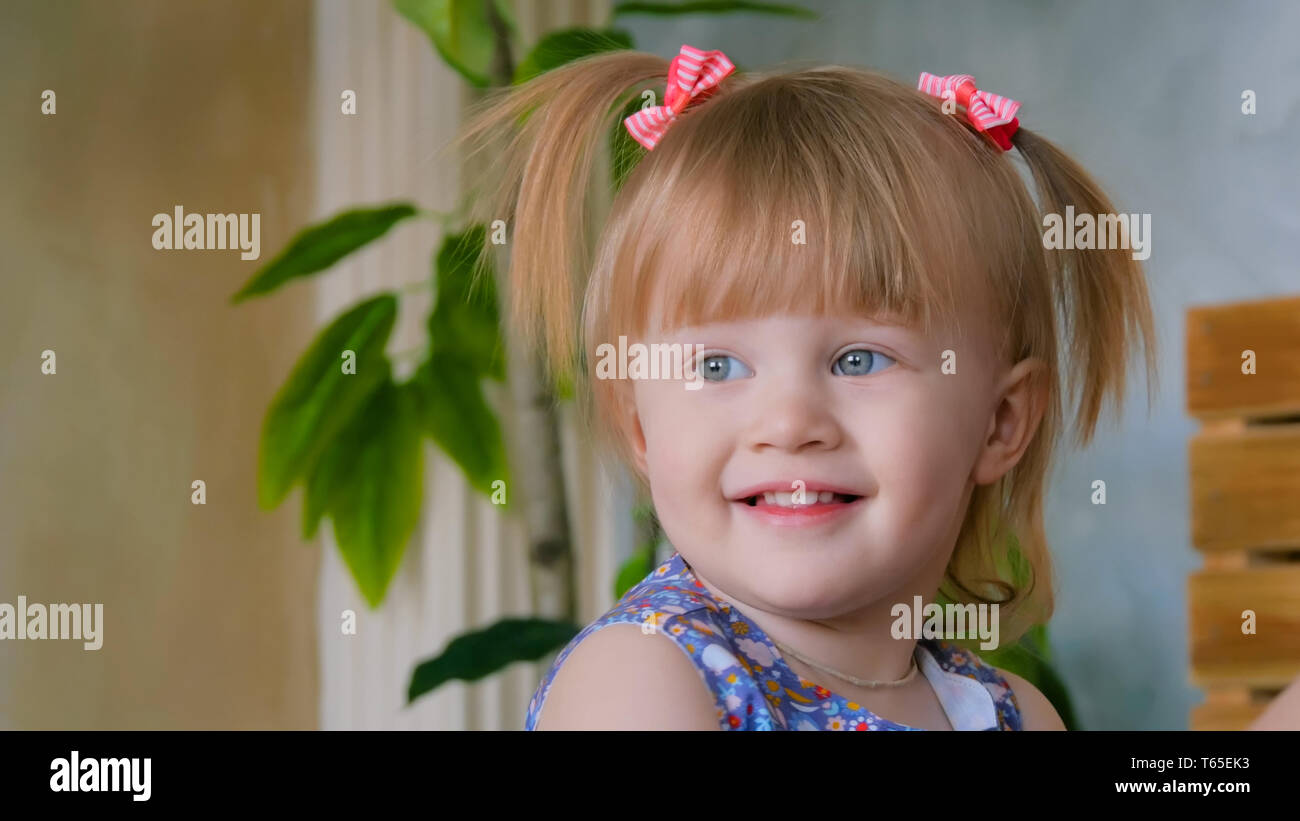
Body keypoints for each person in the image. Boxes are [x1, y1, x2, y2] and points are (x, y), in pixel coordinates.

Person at [457, 44, 1157, 730]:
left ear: (1001, 422)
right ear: (639, 424)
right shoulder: (645, 677)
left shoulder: (1012, 713)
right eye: (717, 366)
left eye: (858, 360)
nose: (789, 423)